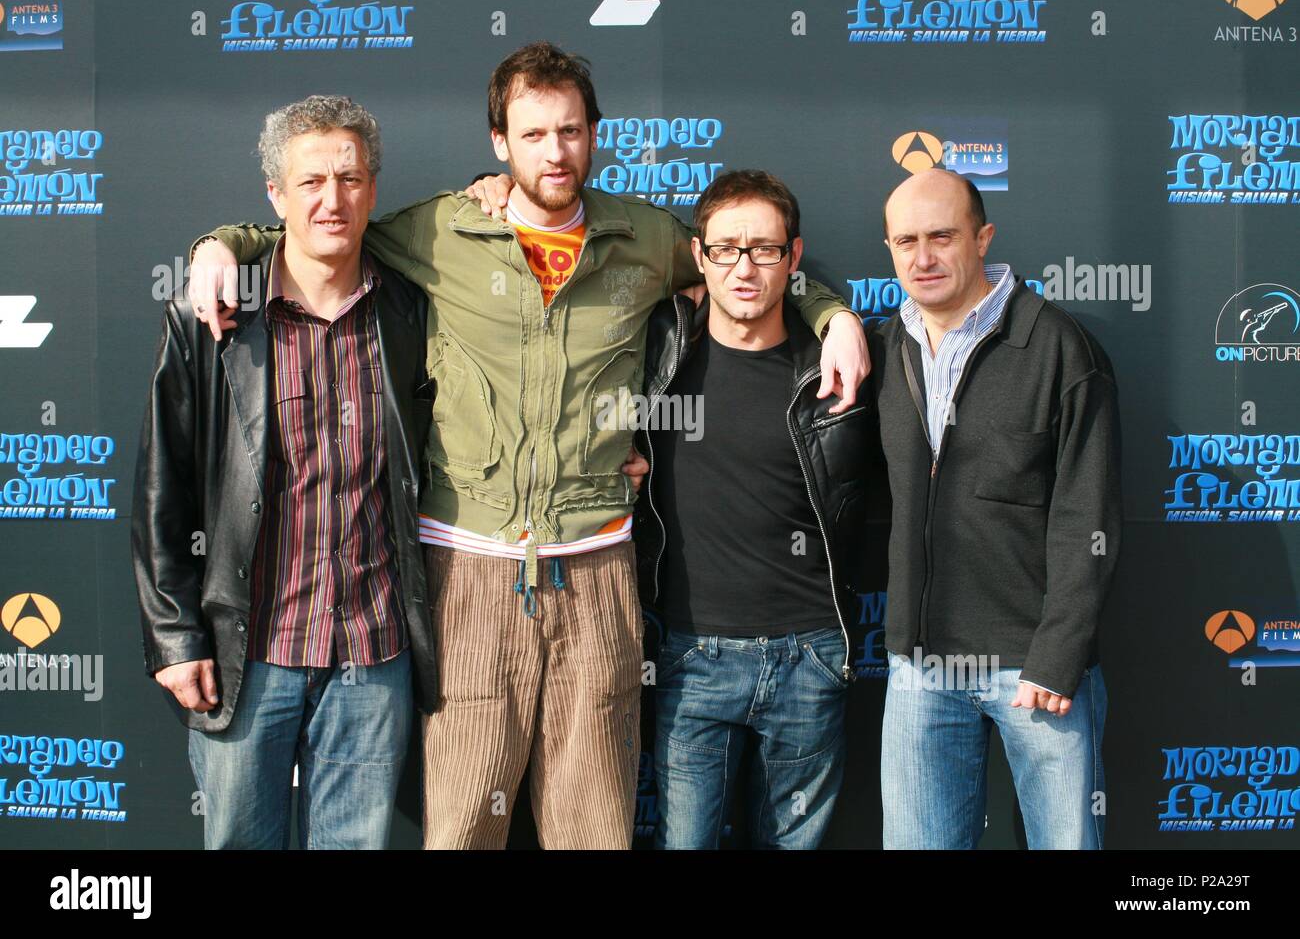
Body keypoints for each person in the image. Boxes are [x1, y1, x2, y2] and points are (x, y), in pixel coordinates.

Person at [185, 42, 869, 849]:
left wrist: (834, 315)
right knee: (467, 823)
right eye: (534, 133)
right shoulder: (442, 231)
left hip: (597, 573)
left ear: (593, 135)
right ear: (500, 143)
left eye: (572, 131)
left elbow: (741, 252)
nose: (556, 151)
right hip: (470, 574)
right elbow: (321, 228)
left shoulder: (644, 237)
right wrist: (225, 244)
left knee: (593, 827)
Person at [132, 95, 435, 849]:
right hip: (248, 655)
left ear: (373, 187)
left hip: (374, 656)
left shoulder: (412, 313)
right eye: (311, 182)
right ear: (275, 195)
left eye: (351, 178)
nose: (333, 199)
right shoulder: (211, 320)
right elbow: (159, 490)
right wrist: (175, 637)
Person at [869, 167, 1121, 849]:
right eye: (905, 241)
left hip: (1031, 667)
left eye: (942, 237)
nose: (923, 258)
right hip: (920, 666)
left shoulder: (1058, 347)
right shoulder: (881, 348)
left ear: (983, 238)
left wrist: (1058, 653)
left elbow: (1087, 515)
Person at [635, 170, 878, 848]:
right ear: (699, 256)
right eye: (726, 249)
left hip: (810, 656)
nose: (745, 269)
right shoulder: (658, 353)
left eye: (766, 250)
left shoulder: (838, 372)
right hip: (688, 656)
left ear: (794, 259)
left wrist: (840, 317)